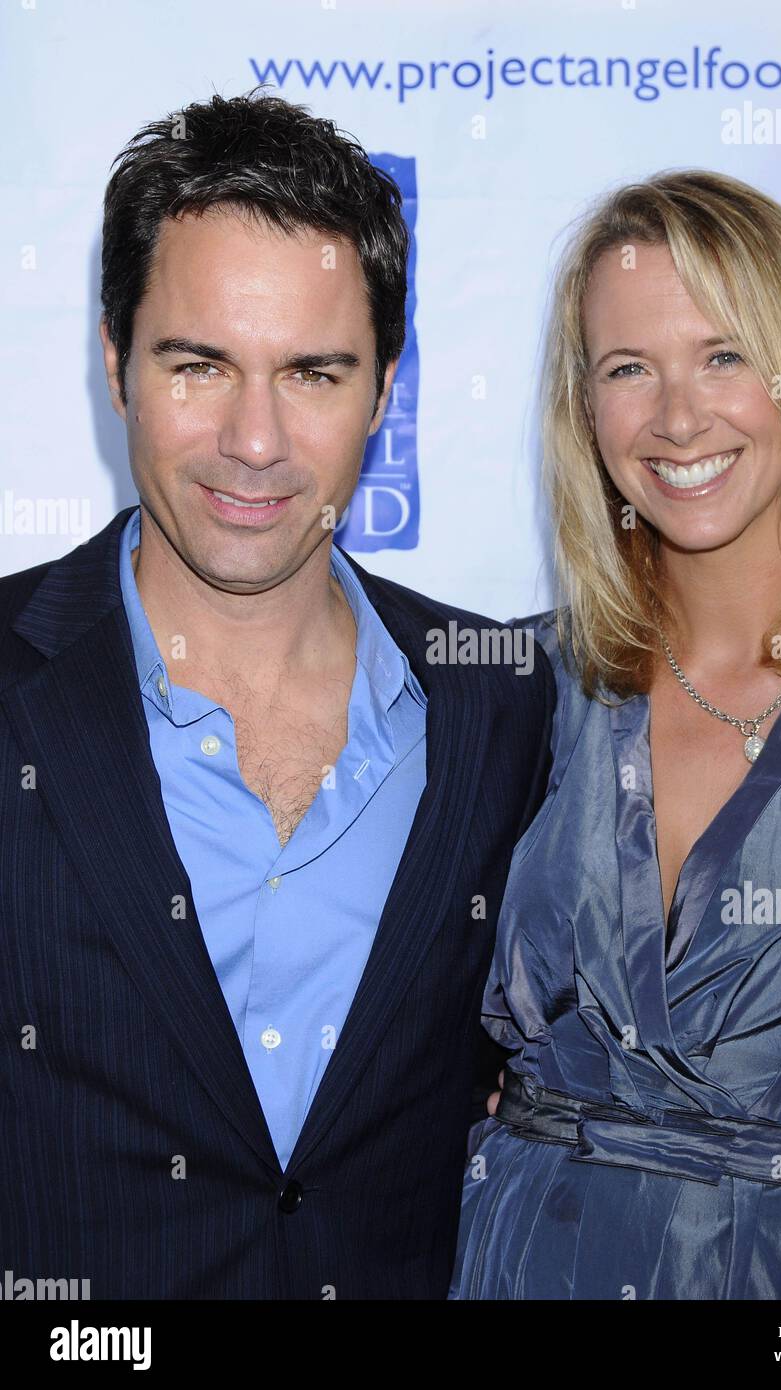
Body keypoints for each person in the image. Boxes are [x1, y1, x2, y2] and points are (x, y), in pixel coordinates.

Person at [0, 89, 554, 1299]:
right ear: (115, 361)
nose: (255, 441)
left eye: (312, 371)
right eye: (200, 363)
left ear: (383, 388)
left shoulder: (505, 705)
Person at [449, 169, 781, 1300]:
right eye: (628, 368)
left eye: (723, 354)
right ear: (583, 407)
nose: (678, 417)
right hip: (533, 1263)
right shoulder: (505, 689)